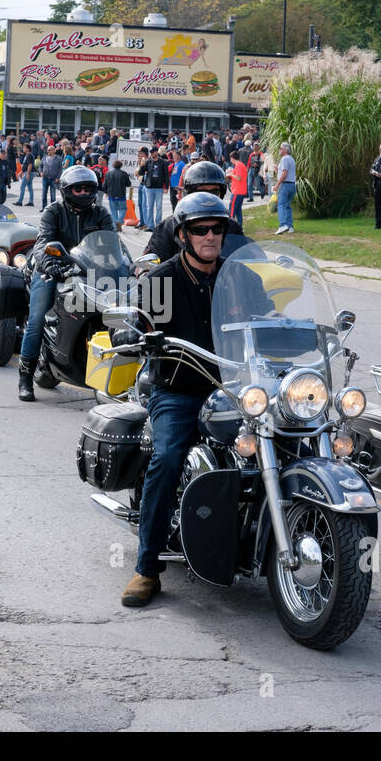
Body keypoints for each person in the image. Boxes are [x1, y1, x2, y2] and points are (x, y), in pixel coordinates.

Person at [120, 193, 263, 607]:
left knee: (292, 437)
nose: (210, 236)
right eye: (201, 229)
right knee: (166, 459)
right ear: (183, 235)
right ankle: (146, 568)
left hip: (236, 389)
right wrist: (130, 334)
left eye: (218, 229)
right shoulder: (161, 281)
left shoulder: (242, 278)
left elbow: (269, 320)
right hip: (179, 389)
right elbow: (137, 322)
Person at [16, 165, 114, 400]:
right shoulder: (54, 211)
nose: (82, 193)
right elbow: (42, 243)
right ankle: (25, 377)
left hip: (89, 272)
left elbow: (113, 244)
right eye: (77, 189)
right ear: (66, 191)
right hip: (53, 270)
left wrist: (126, 266)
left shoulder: (101, 214)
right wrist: (50, 264)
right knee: (37, 319)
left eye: (87, 188)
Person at [142, 161, 244, 263]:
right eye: (201, 191)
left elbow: (245, 262)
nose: (207, 197)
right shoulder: (169, 226)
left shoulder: (232, 227)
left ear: (221, 193)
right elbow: (149, 264)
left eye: (214, 192)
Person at [275, 141, 297, 235]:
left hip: (285, 185)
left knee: (281, 205)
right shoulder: (292, 159)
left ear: (285, 150)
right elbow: (283, 172)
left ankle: (283, 225)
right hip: (292, 185)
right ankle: (290, 226)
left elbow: (285, 172)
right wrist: (276, 169)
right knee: (287, 206)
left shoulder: (284, 159)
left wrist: (277, 185)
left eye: (280, 148)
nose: (279, 150)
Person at [103, 158, 130, 232]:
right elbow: (128, 184)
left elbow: (104, 185)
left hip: (111, 195)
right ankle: (120, 221)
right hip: (121, 195)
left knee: (113, 211)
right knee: (123, 209)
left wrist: (106, 192)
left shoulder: (108, 173)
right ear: (121, 166)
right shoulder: (124, 173)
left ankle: (115, 227)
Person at [227, 149, 248, 226]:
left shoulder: (238, 165)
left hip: (237, 191)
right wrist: (232, 173)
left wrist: (231, 174)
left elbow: (239, 178)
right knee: (238, 210)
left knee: (232, 210)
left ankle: (231, 227)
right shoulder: (240, 165)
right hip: (241, 191)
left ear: (232, 158)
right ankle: (239, 227)